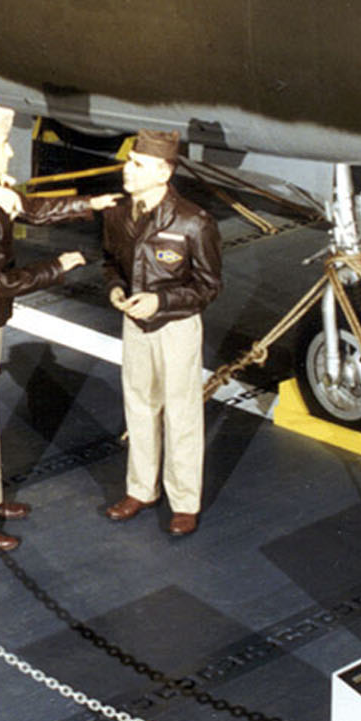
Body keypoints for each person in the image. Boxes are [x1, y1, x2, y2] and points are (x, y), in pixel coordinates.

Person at [0, 100, 118, 551]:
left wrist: (86, 204)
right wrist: (58, 265)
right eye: (2, 145)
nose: (11, 154)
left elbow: (26, 208)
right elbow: (0, 280)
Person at [101, 130, 223, 537]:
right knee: (138, 406)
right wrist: (115, 289)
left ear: (163, 172)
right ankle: (141, 489)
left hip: (176, 327)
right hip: (135, 325)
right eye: (129, 161)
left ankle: (184, 501)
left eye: (137, 164)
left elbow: (209, 286)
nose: (127, 169)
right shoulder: (118, 215)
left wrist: (161, 303)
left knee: (182, 413)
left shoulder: (194, 221)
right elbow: (110, 264)